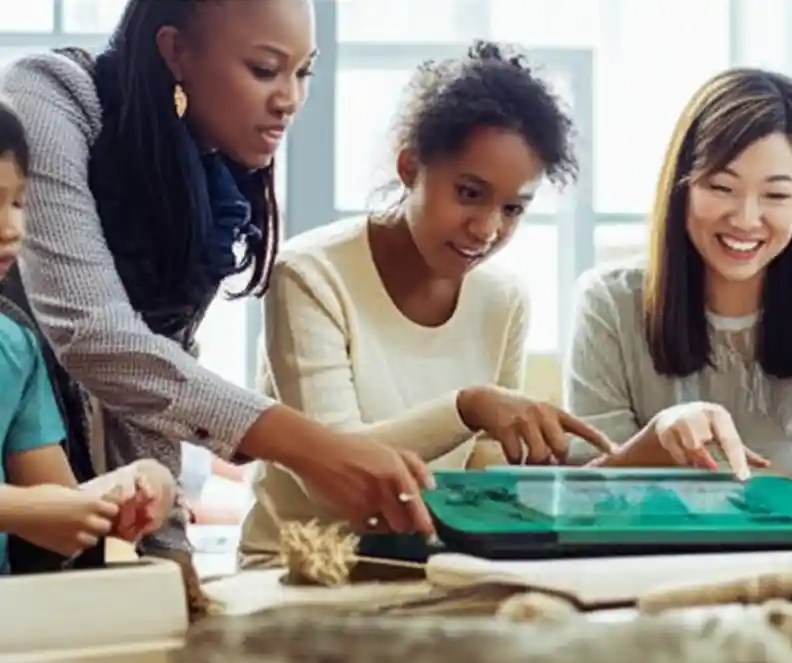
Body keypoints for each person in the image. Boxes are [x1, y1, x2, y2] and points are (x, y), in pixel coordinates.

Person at [0, 0, 434, 567]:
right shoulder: (51, 95)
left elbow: (151, 378)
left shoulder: (208, 177)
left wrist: (171, 554)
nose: (290, 100)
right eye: (264, 70)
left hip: (58, 494)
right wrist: (312, 448)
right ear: (176, 51)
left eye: (303, 72)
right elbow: (95, 335)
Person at [238, 41, 614, 565]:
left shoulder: (502, 299)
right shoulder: (310, 276)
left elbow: (482, 465)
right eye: (468, 193)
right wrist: (468, 407)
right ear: (410, 166)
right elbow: (336, 479)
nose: (487, 229)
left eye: (513, 208)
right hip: (300, 568)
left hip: (432, 566)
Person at [564, 68, 792, 505]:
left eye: (776, 196)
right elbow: (582, 494)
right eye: (722, 187)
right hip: (656, 566)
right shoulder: (608, 304)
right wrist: (655, 444)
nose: (746, 219)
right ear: (682, 187)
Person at [0, 97, 175, 567]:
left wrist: (130, 488)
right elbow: (32, 508)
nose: (10, 228)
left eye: (18, 202)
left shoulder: (14, 345)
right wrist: (20, 508)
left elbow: (56, 513)